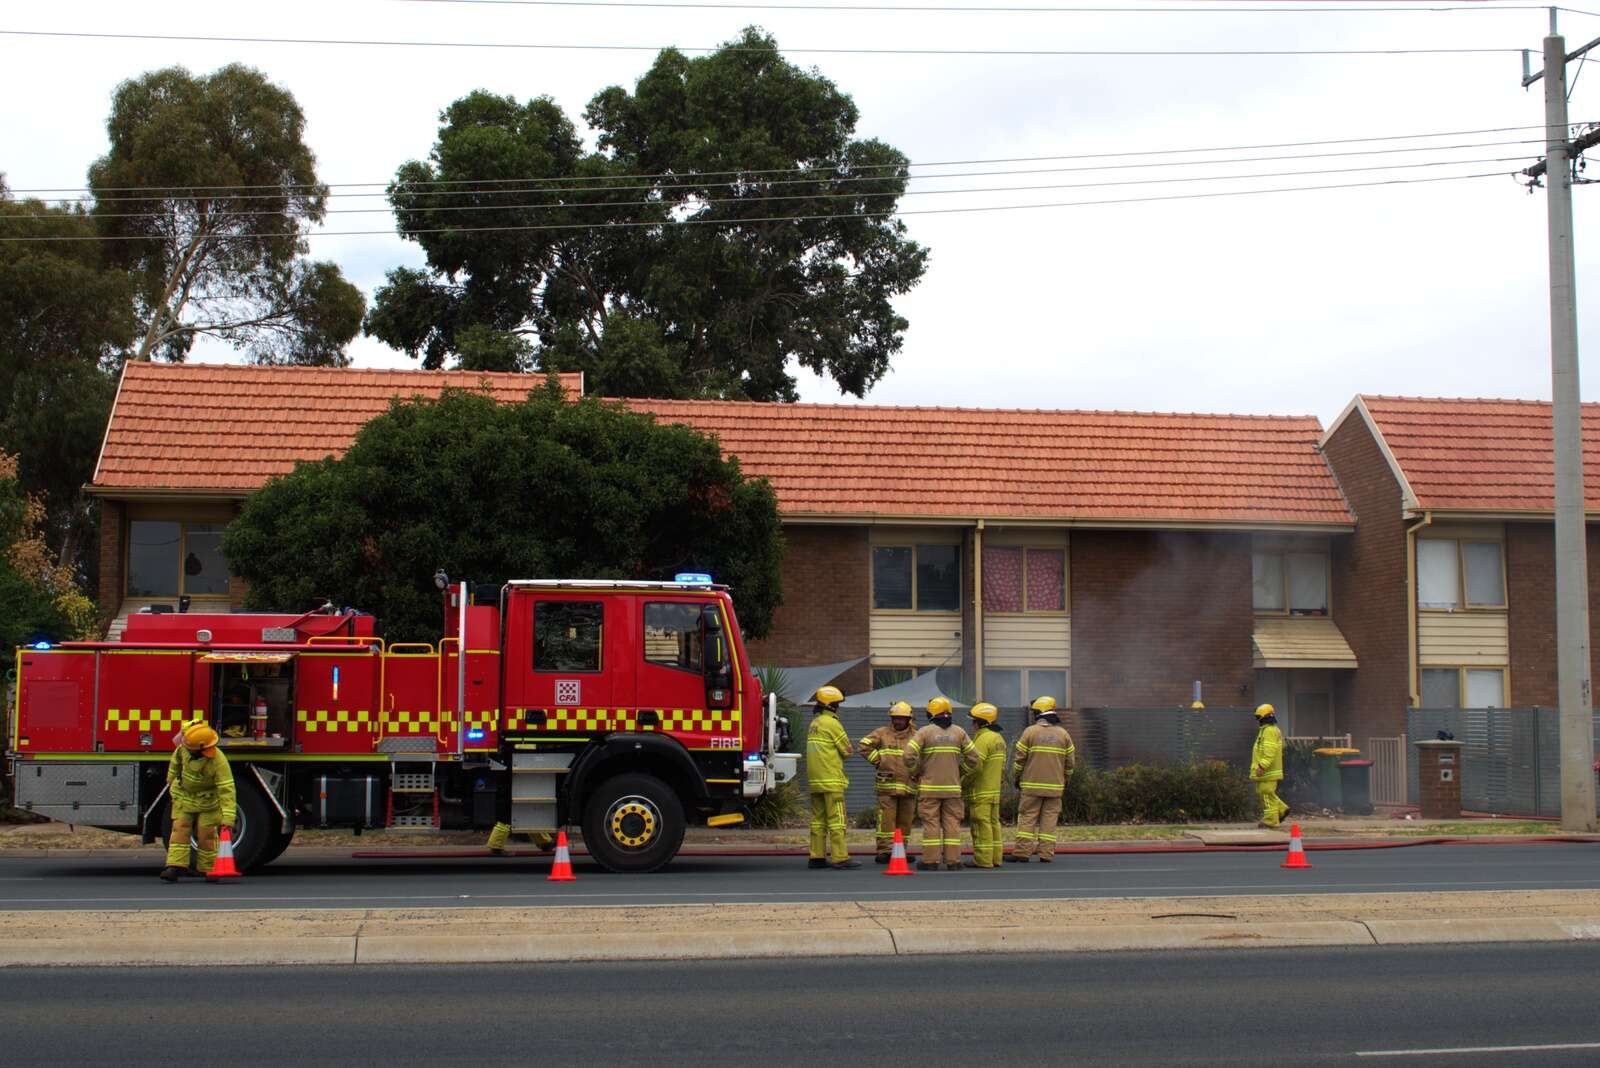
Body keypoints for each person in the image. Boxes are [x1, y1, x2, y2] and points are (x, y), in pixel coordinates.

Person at [905, 696, 978, 871]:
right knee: (952, 824)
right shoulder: (959, 732)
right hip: (953, 789)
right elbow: (974, 758)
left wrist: (915, 771)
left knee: (931, 824)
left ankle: (931, 861)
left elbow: (908, 756)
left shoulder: (924, 732)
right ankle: (953, 861)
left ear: (930, 713)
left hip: (930, 789)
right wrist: (960, 771)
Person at [159, 720, 236, 882]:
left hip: (208, 803)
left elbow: (227, 789)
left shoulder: (218, 760)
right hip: (184, 798)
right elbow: (175, 764)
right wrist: (170, 780)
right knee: (179, 831)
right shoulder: (183, 749)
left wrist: (228, 819)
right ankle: (175, 867)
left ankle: (208, 869)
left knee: (206, 835)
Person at [1007, 696, 1075, 863]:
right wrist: (1065, 781)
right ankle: (1046, 854)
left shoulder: (1030, 732)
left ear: (1038, 713)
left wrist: (1016, 778)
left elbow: (1019, 760)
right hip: (1055, 787)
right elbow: (1070, 764)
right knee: (1049, 820)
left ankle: (1022, 853)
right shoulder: (1063, 735)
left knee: (1027, 818)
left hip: (1031, 787)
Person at [806, 685, 860, 869]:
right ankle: (840, 857)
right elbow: (847, 750)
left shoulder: (814, 723)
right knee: (837, 821)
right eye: (838, 704)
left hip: (815, 782)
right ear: (831, 705)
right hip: (832, 781)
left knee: (818, 820)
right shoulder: (833, 723)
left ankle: (817, 857)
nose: (839, 707)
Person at [858, 701, 918, 863]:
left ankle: (900, 851)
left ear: (908, 719)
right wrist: (877, 760)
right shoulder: (882, 733)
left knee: (905, 821)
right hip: (886, 785)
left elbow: (924, 756)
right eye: (894, 718)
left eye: (901, 718)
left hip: (909, 786)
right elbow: (863, 745)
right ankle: (884, 851)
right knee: (886, 821)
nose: (897, 721)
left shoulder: (916, 736)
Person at [962, 702, 1007, 869]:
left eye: (973, 721)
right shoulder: (998, 738)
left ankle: (983, 860)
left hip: (980, 791)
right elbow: (1001, 767)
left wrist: (962, 782)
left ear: (980, 722)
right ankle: (996, 858)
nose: (972, 724)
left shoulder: (983, 739)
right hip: (994, 791)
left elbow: (975, 766)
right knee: (994, 824)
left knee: (981, 826)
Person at [1251, 703, 1291, 829]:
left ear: (1263, 718)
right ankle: (1282, 809)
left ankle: (1271, 821)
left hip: (1267, 771)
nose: (1258, 721)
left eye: (1258, 718)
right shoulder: (1270, 730)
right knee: (1266, 793)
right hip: (1269, 770)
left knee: (1266, 794)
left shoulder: (1269, 731)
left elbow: (1269, 752)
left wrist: (1262, 766)